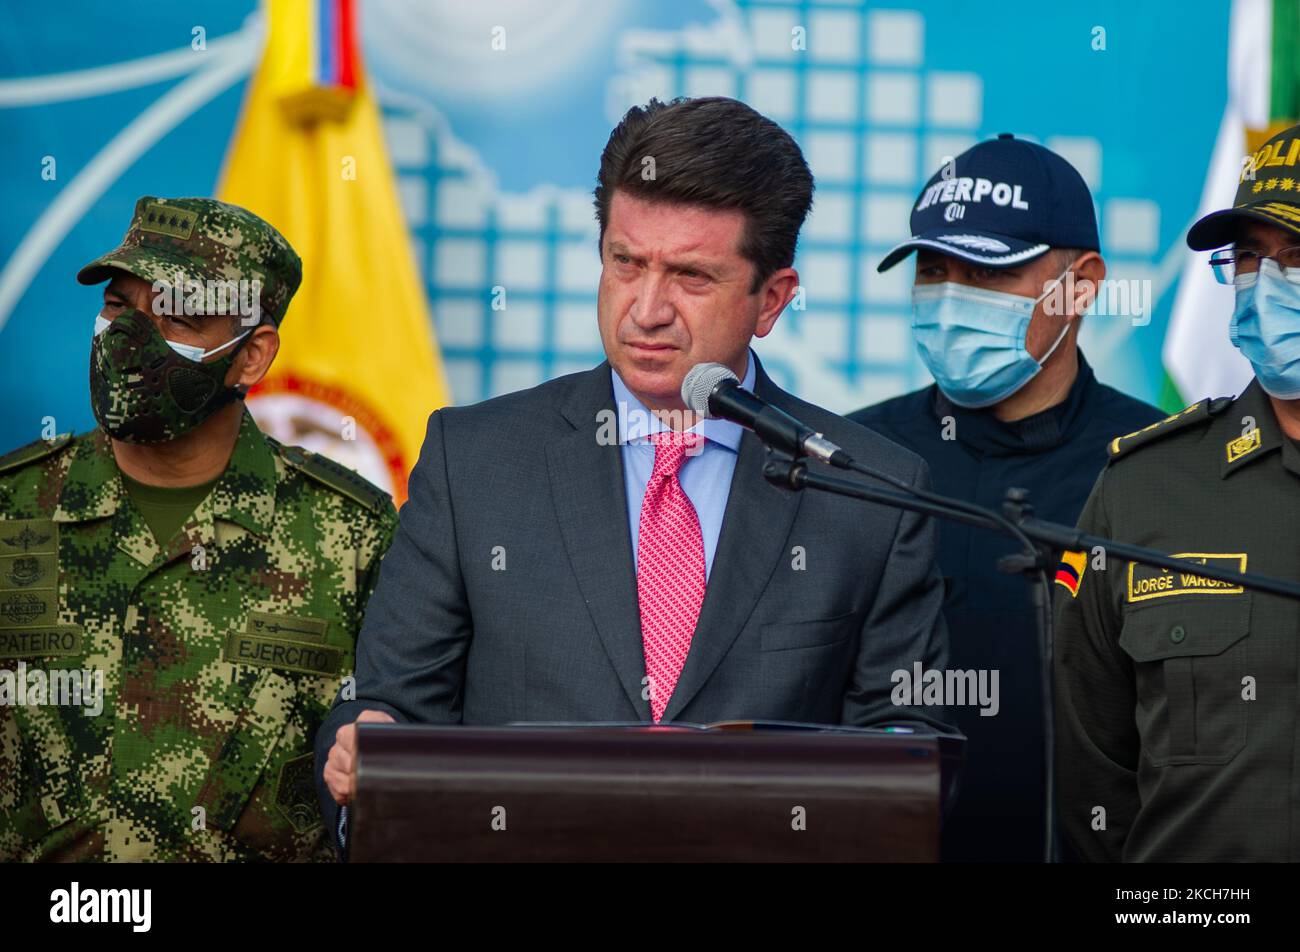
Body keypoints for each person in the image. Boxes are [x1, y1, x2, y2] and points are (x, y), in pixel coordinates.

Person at [316, 96, 952, 855]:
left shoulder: (868, 491)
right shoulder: (475, 460)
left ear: (772, 299)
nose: (645, 310)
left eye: (690, 276)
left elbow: (908, 755)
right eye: (626, 263)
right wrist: (370, 747)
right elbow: (390, 714)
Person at [0, 196, 396, 861]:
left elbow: (391, 773)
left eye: (179, 315)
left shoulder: (352, 535)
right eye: (120, 309)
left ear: (251, 356)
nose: (130, 339)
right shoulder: (13, 510)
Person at [849, 135, 1163, 861]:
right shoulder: (856, 462)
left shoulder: (1161, 465)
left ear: (1082, 285)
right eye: (933, 270)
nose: (952, 299)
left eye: (987, 272)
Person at [1055, 122, 1300, 862]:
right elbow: (1092, 778)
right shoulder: (1145, 489)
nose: (1267, 285)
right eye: (1251, 259)